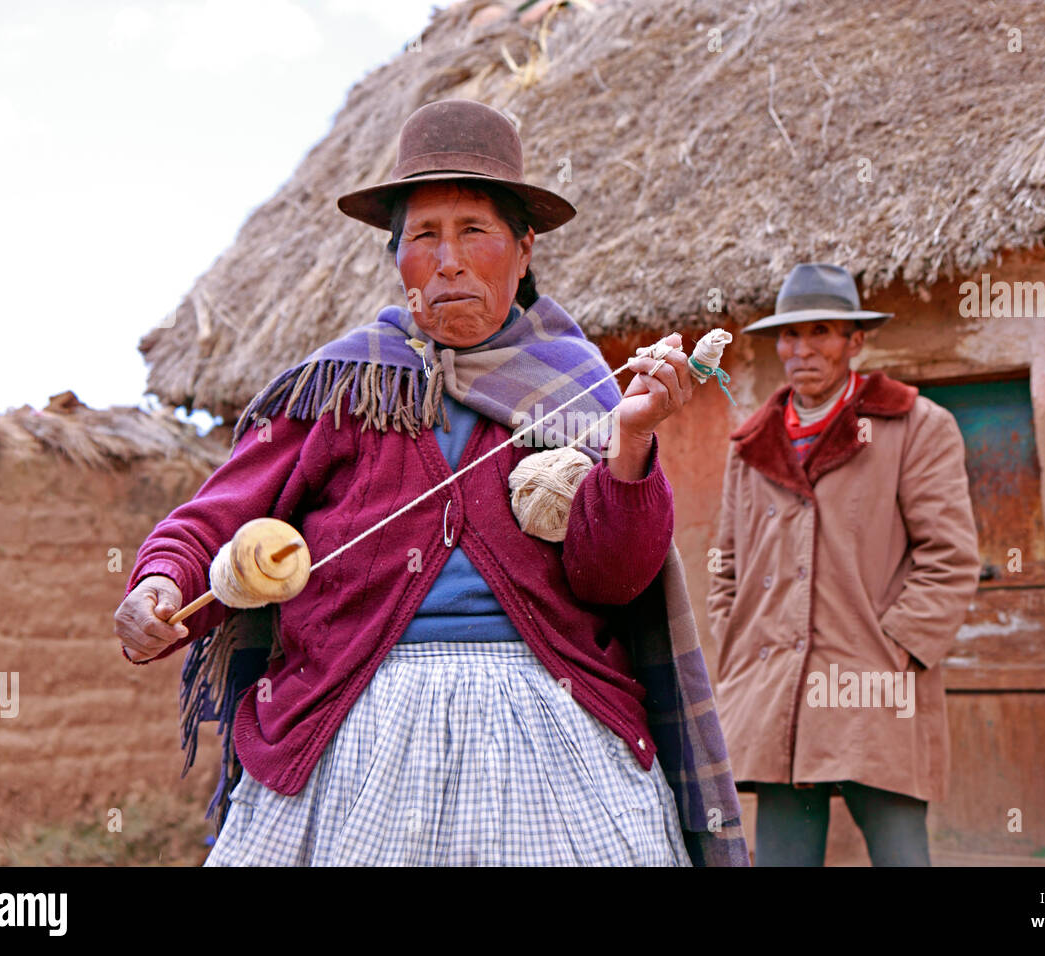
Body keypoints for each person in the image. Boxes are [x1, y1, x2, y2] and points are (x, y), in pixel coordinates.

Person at [113, 99, 746, 866]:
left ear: (524, 249)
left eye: (473, 231)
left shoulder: (581, 388)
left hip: (550, 722)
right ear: (397, 260)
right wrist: (157, 583)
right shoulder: (341, 385)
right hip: (350, 720)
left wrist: (635, 439)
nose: (448, 260)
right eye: (424, 236)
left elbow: (614, 579)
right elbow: (214, 518)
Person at [707, 262, 980, 866]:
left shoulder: (914, 427)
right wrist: (735, 641)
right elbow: (725, 562)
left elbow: (951, 556)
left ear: (855, 342)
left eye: (822, 332)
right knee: (782, 859)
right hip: (775, 689)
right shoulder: (752, 447)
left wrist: (897, 648)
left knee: (900, 855)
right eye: (790, 335)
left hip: (875, 685)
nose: (802, 350)